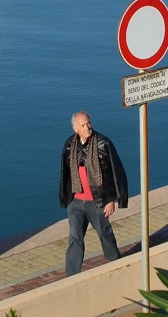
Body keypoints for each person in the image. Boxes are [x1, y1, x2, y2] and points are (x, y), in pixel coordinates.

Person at [59, 110, 129, 277]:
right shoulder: (70, 144)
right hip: (76, 202)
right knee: (75, 238)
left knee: (105, 233)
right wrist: (66, 198)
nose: (87, 127)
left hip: (97, 202)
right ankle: (71, 276)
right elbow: (65, 174)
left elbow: (115, 171)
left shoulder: (103, 143)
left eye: (88, 123)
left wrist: (112, 200)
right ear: (75, 128)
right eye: (83, 125)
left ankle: (116, 263)